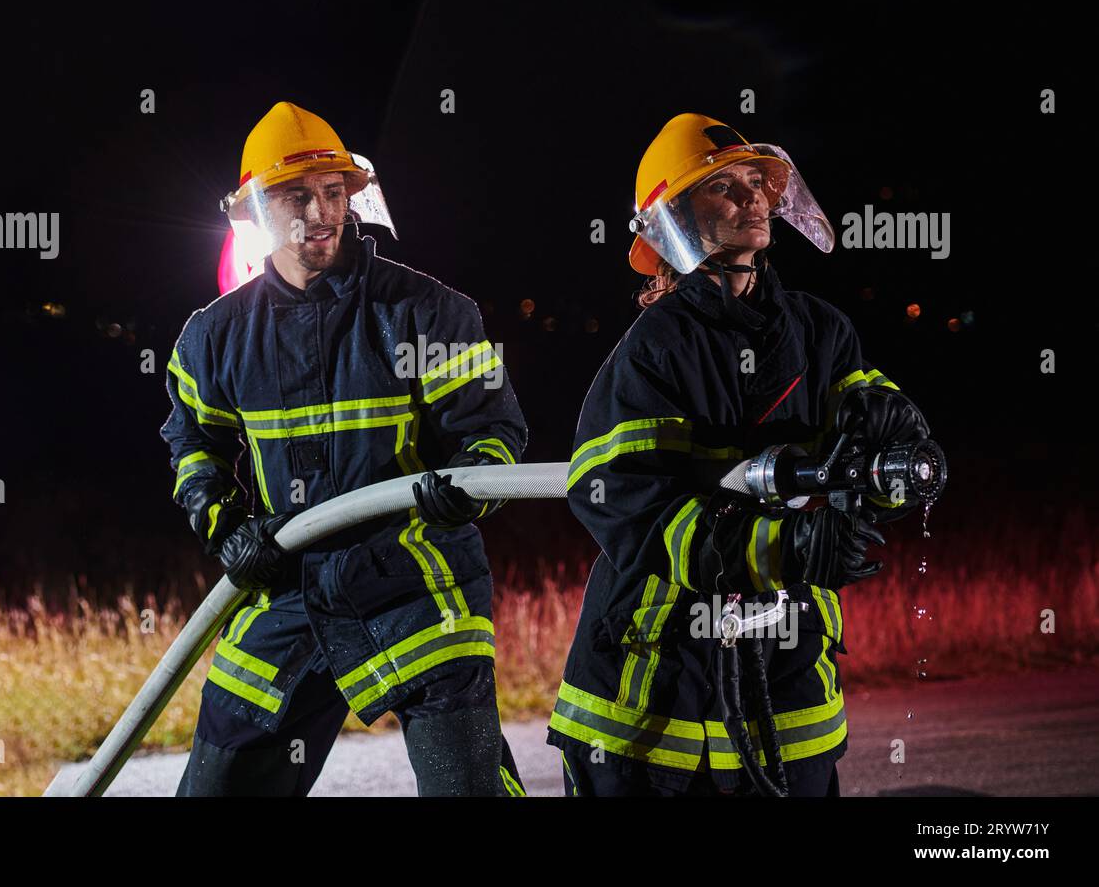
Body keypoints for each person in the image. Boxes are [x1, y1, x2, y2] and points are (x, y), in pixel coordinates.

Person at [548, 113, 932, 796]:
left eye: (757, 182)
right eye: (725, 188)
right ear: (679, 218)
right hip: (654, 678)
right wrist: (782, 548)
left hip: (785, 666)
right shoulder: (655, 346)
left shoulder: (819, 330)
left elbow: (866, 424)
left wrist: (895, 439)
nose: (753, 198)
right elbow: (621, 495)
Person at [164, 102, 528, 796]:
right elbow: (194, 446)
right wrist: (229, 528)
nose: (321, 210)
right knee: (218, 788)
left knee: (466, 786)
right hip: (288, 587)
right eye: (297, 194)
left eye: (334, 192)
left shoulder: (428, 312)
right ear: (254, 211)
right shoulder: (214, 337)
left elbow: (493, 430)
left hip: (419, 582)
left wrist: (469, 487)